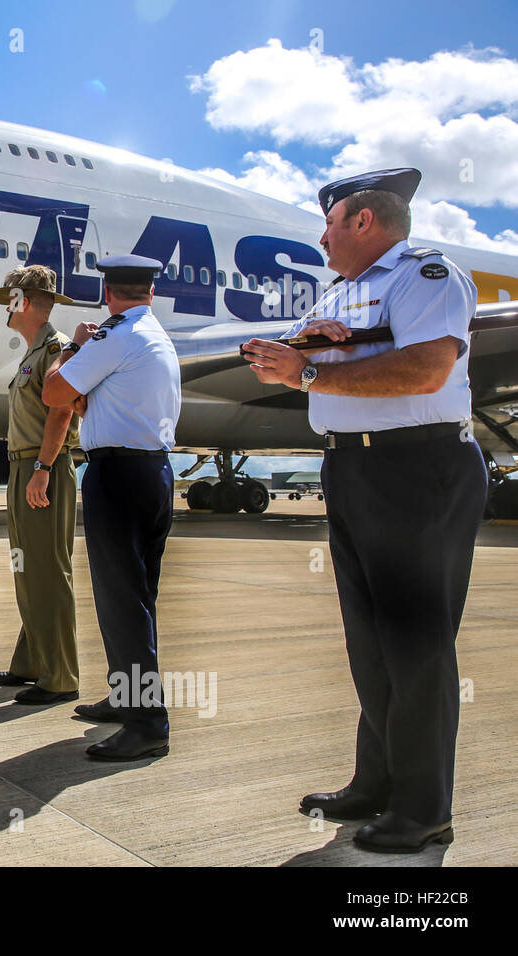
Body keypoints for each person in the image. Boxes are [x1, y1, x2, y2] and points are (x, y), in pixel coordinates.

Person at [242, 168, 485, 854]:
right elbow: (366, 354)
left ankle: (423, 809)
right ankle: (376, 782)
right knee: (371, 644)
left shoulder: (426, 274)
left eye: (329, 224)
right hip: (353, 465)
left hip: (418, 467)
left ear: (365, 223)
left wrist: (310, 371)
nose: (320, 238)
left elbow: (427, 370)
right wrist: (309, 349)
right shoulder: (346, 290)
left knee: (417, 646)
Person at [43, 254, 181, 759]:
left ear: (107, 292)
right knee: (137, 597)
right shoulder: (152, 335)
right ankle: (129, 698)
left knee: (122, 600)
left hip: (118, 475)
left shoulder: (112, 336)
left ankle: (145, 725)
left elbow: (55, 392)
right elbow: (87, 399)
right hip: (151, 472)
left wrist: (73, 348)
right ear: (150, 291)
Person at [0, 265, 82, 704]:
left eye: (10, 299)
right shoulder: (33, 353)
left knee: (48, 570)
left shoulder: (57, 349)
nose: (6, 308)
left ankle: (60, 676)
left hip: (46, 467)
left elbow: (62, 411)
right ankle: (31, 662)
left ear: (23, 301)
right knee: (28, 570)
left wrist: (43, 467)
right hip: (26, 467)